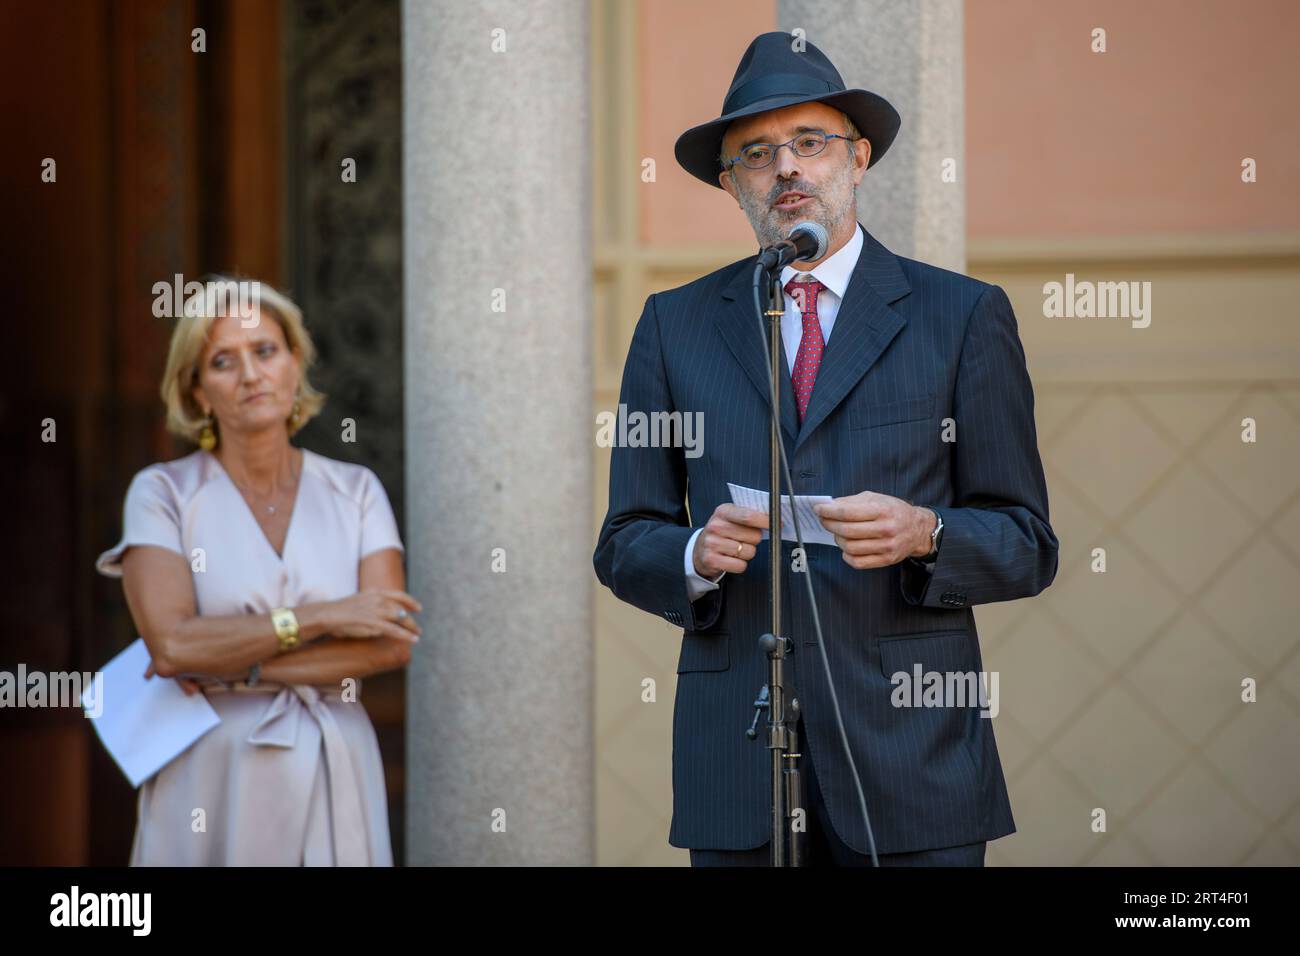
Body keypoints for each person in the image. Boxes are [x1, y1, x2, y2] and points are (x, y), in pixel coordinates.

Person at [593, 33, 1059, 866]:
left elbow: (1027, 543)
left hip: (914, 764)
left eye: (811, 143)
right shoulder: (672, 326)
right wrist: (696, 552)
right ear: (732, 182)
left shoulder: (962, 316)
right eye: (758, 154)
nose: (787, 169)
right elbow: (625, 540)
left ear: (858, 158)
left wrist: (927, 533)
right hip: (737, 763)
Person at [96, 276, 420, 865]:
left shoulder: (356, 491)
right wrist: (326, 616)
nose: (250, 375)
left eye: (265, 352)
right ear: (196, 392)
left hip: (334, 759)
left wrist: (235, 666)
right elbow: (170, 645)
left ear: (295, 364)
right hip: (213, 767)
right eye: (223, 361)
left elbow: (390, 645)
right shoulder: (163, 492)